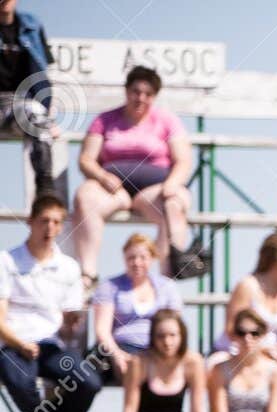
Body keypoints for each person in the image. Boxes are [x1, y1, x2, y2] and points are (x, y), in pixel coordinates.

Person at [72, 66, 204, 282]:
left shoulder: (168, 121)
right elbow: (86, 159)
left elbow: (183, 161)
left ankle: (165, 279)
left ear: (154, 96)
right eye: (136, 91)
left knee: (175, 204)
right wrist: (102, 176)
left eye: (148, 94)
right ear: (126, 91)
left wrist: (172, 184)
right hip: (113, 188)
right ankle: (88, 274)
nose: (140, 98)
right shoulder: (104, 120)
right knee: (85, 196)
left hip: (153, 190)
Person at [0, 194, 103, 412]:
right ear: (31, 222)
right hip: (12, 344)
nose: (49, 228)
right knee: (21, 382)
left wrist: (76, 316)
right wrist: (19, 343)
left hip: (49, 346)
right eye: (44, 221)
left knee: (88, 382)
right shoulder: (6, 261)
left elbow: (67, 326)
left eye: (56, 222)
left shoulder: (68, 267)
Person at [89, 233, 182, 385]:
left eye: (142, 257)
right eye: (131, 258)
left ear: (152, 258)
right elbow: (102, 331)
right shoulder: (110, 286)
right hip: (121, 346)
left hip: (157, 347)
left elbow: (174, 326)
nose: (136, 262)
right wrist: (116, 355)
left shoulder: (167, 287)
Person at [0, 1, 66, 200]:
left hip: (22, 100)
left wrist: (48, 116)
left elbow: (45, 70)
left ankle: (45, 189)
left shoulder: (32, 25)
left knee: (37, 117)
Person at [217, 230, 277, 359]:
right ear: (272, 258)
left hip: (275, 357)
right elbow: (231, 329)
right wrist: (262, 349)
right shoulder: (247, 286)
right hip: (237, 354)